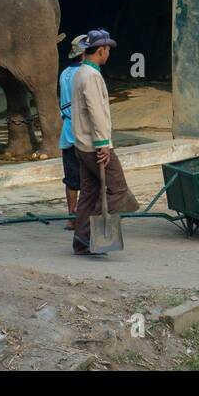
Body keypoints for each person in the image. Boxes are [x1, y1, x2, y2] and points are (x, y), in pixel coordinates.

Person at [71, 28, 140, 256]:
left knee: (89, 192)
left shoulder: (81, 72)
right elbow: (95, 111)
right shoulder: (91, 76)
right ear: (100, 51)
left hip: (81, 144)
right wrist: (103, 144)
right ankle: (93, 234)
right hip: (94, 145)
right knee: (118, 189)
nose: (108, 54)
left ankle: (80, 240)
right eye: (107, 50)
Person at [58, 34, 90, 230]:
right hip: (85, 133)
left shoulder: (64, 73)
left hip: (67, 131)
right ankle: (86, 216)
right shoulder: (88, 74)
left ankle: (72, 216)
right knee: (89, 178)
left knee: (71, 179)